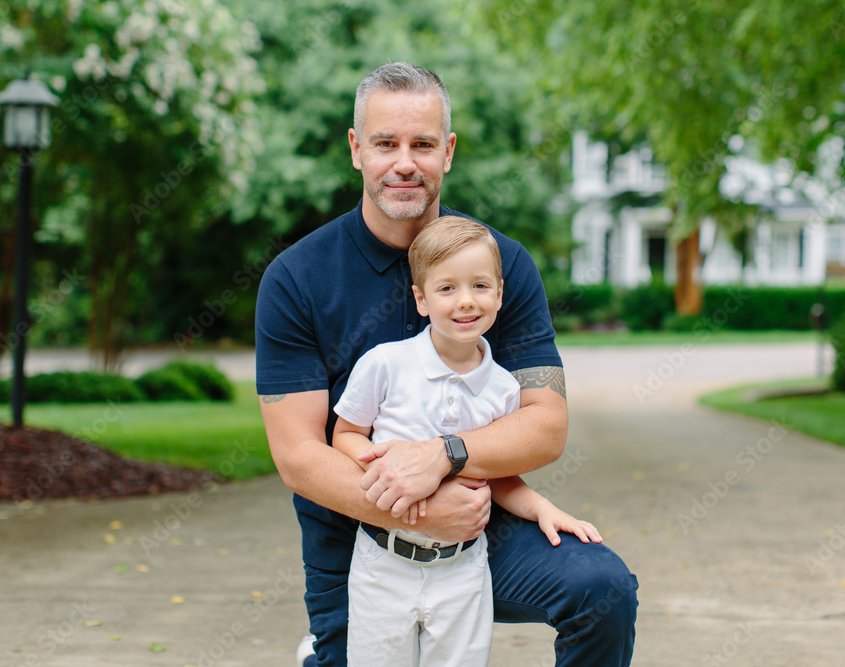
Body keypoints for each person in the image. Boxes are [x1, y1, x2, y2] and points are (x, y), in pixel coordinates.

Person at [255, 61, 638, 667]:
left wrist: (446, 455)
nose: (404, 163)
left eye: (424, 145)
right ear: (356, 149)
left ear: (449, 152)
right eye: (386, 143)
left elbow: (546, 425)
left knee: (601, 589)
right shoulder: (296, 279)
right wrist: (419, 511)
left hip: (478, 524)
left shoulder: (502, 267)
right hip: (356, 534)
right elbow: (299, 456)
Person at [333, 216, 602, 666]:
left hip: (462, 569)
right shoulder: (385, 365)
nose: (465, 301)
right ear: (421, 299)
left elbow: (497, 476)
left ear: (500, 292)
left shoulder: (504, 389)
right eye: (446, 288)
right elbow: (345, 434)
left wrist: (543, 509)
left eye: (480, 286)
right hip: (384, 563)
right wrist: (390, 476)